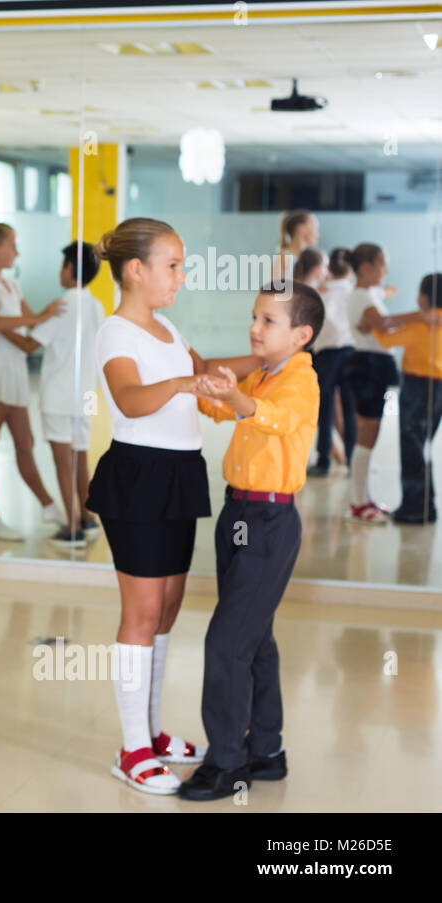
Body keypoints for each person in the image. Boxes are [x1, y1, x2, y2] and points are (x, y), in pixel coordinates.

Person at [85, 217, 260, 795]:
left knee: (166, 612)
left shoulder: (166, 325)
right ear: (136, 271)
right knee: (140, 614)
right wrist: (185, 386)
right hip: (138, 477)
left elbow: (209, 371)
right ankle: (132, 749)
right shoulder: (115, 332)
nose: (181, 277)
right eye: (173, 266)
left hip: (182, 473)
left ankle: (154, 734)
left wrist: (270, 358)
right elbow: (131, 401)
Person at [181, 282, 322, 801]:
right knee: (255, 638)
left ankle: (227, 763)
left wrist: (238, 397)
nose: (254, 328)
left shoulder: (300, 382)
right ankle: (266, 750)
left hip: (269, 522)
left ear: (301, 335)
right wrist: (207, 385)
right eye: (254, 317)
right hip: (238, 512)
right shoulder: (264, 373)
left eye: (267, 321)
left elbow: (277, 419)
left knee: (226, 642)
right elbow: (228, 411)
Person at [0, 223, 66, 542]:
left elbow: (27, 338)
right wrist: (39, 320)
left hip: (17, 372)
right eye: (12, 245)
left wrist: (53, 334)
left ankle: (50, 506)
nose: (16, 252)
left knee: (25, 444)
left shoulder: (13, 286)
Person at [20, 241, 107, 548]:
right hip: (84, 393)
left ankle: (71, 528)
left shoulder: (62, 305)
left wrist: (9, 327)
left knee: (62, 460)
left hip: (59, 395)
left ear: (70, 269)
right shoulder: (96, 305)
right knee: (80, 456)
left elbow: (32, 345)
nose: (61, 271)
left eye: (63, 266)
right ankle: (86, 516)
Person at [370, 273, 442, 524]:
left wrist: (372, 324)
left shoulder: (421, 325)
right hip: (439, 390)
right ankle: (426, 506)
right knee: (423, 446)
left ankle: (415, 507)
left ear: (422, 298)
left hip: (416, 388)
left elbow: (384, 338)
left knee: (412, 447)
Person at [342, 243, 399, 523]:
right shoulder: (362, 295)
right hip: (368, 368)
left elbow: (379, 322)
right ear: (366, 268)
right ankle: (358, 502)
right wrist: (424, 317)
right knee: (367, 437)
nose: (386, 271)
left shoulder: (367, 294)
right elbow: (383, 323)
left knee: (368, 437)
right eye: (382, 265)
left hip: (372, 367)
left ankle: (364, 499)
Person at [308, 247, 356, 476]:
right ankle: (352, 462)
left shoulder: (320, 292)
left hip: (325, 356)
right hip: (350, 353)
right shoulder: (353, 291)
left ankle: (323, 462)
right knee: (349, 409)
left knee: (324, 410)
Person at [272, 209, 318, 285]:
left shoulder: (310, 259)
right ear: (301, 228)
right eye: (315, 228)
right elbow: (275, 292)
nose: (317, 234)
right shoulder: (283, 258)